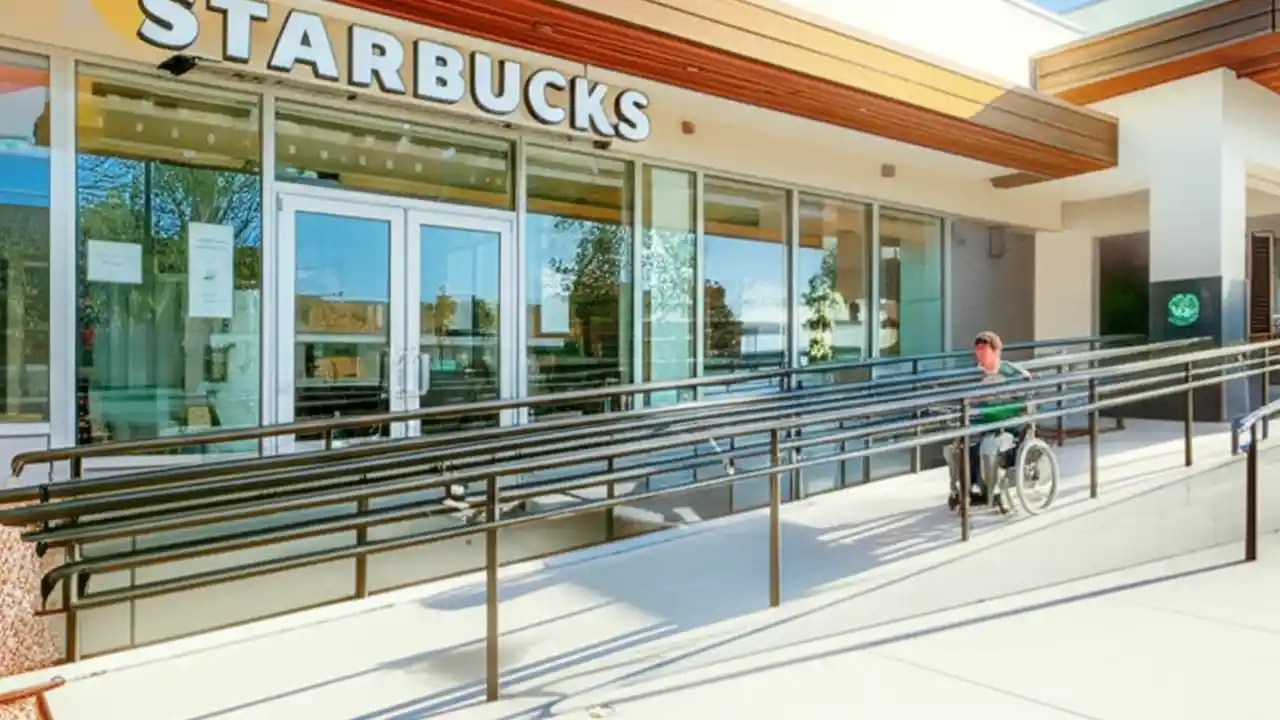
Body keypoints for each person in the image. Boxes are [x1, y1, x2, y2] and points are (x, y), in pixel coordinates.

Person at [945, 331, 1032, 506]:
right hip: (981, 424)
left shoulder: (1011, 372)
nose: (980, 354)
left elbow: (1026, 396)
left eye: (984, 349)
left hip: (1007, 426)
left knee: (989, 446)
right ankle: (963, 490)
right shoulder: (975, 376)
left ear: (995, 351)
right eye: (977, 349)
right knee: (955, 448)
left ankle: (994, 492)